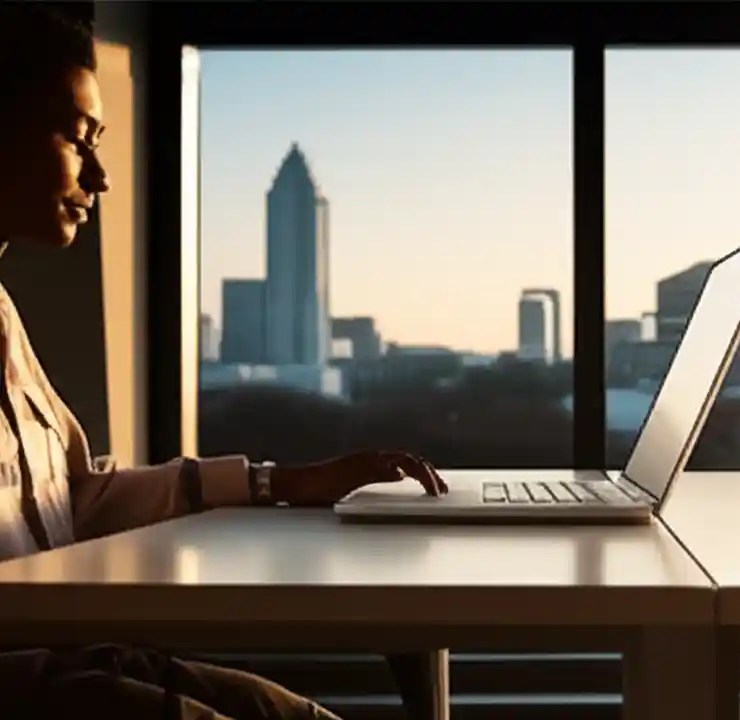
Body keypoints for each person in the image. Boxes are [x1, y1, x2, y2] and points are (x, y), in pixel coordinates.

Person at [0, 6, 448, 718]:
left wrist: (277, 481)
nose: (101, 175)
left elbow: (75, 502)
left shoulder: (4, 316)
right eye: (78, 138)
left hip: (72, 656)